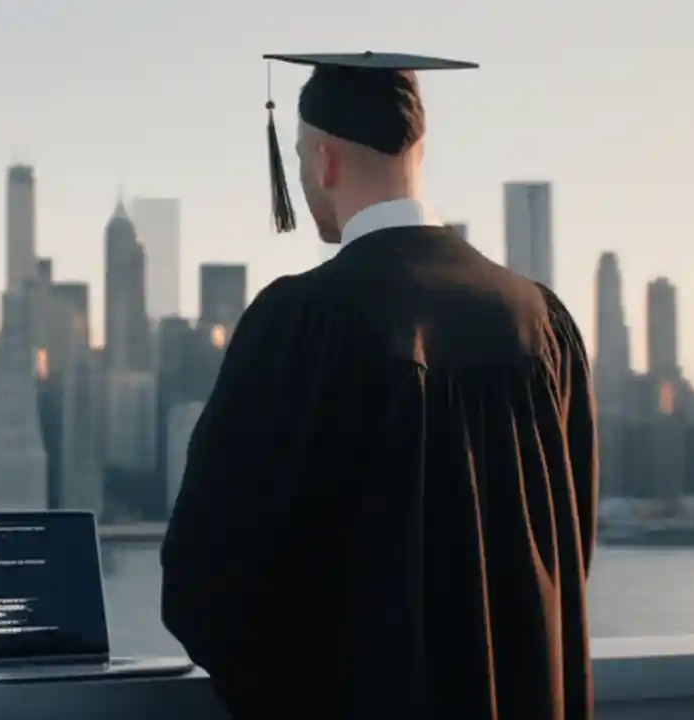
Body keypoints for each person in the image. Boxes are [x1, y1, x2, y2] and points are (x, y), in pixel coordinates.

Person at [160, 52, 598, 719]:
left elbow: (209, 575)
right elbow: (568, 546)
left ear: (324, 161)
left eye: (305, 161)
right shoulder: (538, 320)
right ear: (420, 149)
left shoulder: (304, 320)